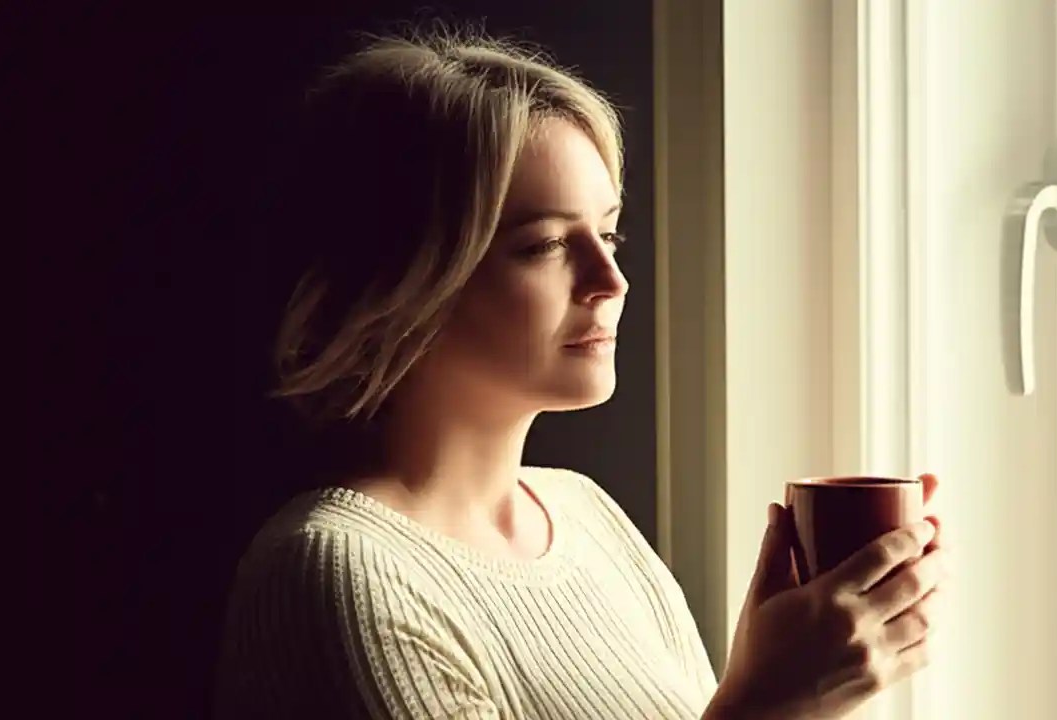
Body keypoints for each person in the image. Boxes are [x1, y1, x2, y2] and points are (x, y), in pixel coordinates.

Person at [212, 27, 949, 720]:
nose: (611, 280)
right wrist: (770, 703)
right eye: (544, 245)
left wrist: (796, 679)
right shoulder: (334, 571)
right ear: (405, 277)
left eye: (608, 232)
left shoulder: (587, 519)